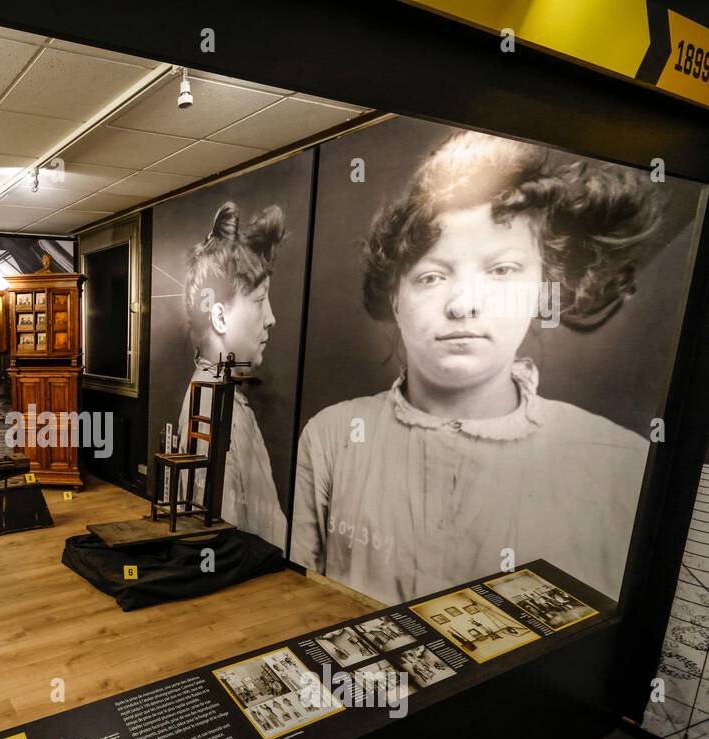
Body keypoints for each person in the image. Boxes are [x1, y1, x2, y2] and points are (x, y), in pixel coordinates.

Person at [292, 130, 662, 603]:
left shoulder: (621, 465)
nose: (464, 304)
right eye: (431, 276)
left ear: (542, 289)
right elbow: (301, 601)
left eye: (502, 270)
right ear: (396, 299)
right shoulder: (330, 438)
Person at [175, 201, 289, 547]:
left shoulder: (222, 400)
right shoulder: (215, 410)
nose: (271, 318)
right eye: (259, 301)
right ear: (220, 318)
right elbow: (215, 540)